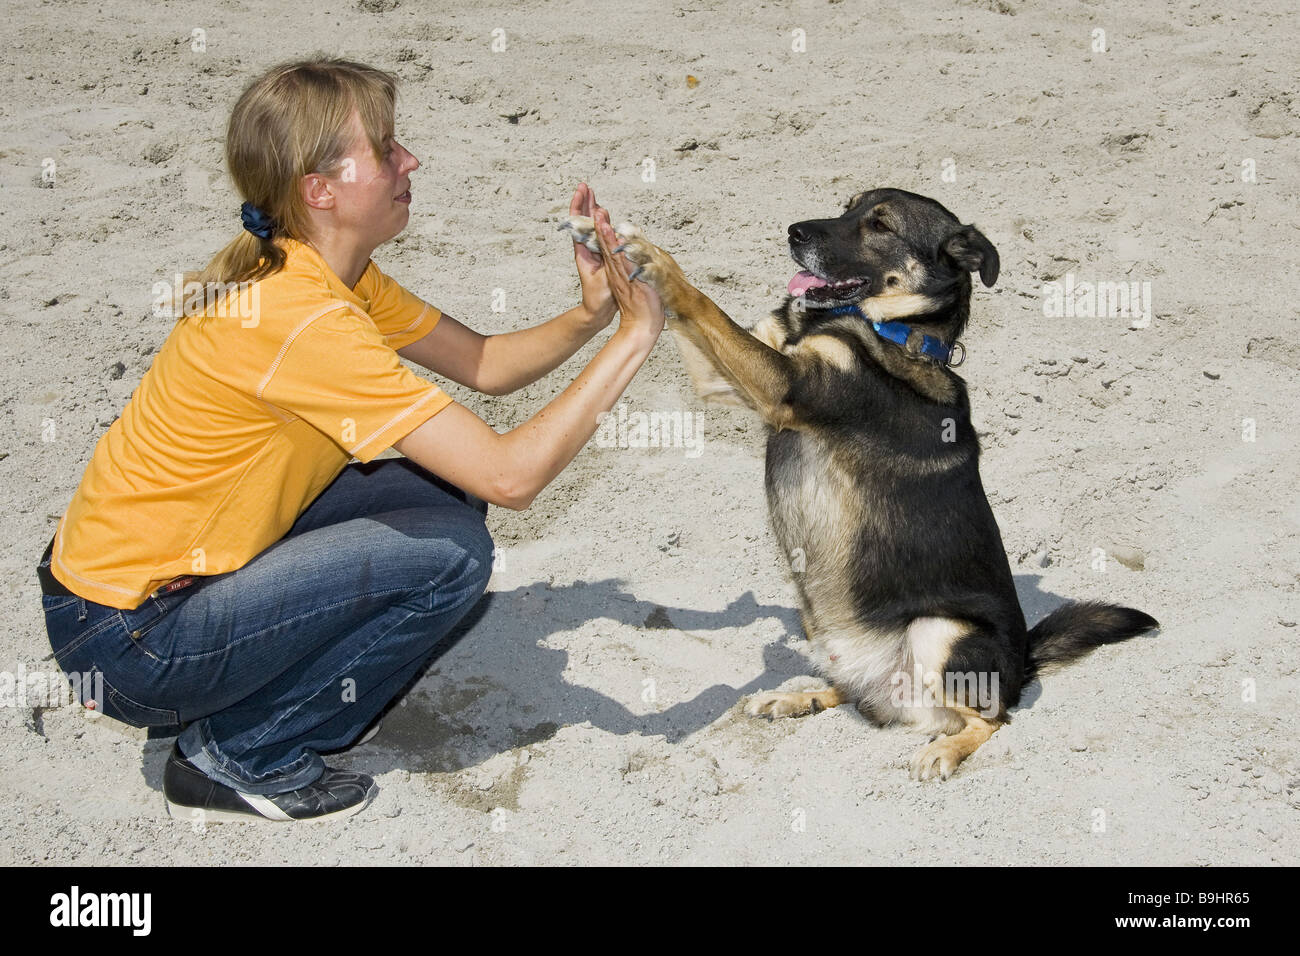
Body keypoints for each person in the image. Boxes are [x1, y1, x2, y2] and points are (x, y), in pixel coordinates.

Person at [36, 57, 664, 823]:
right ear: (319, 190)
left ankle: (249, 681)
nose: (411, 161)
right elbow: (515, 478)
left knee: (443, 493)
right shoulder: (302, 318)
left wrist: (590, 315)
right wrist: (637, 337)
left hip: (137, 594)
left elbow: (487, 366)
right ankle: (243, 750)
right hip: (133, 640)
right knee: (451, 556)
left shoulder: (329, 271)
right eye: (388, 148)